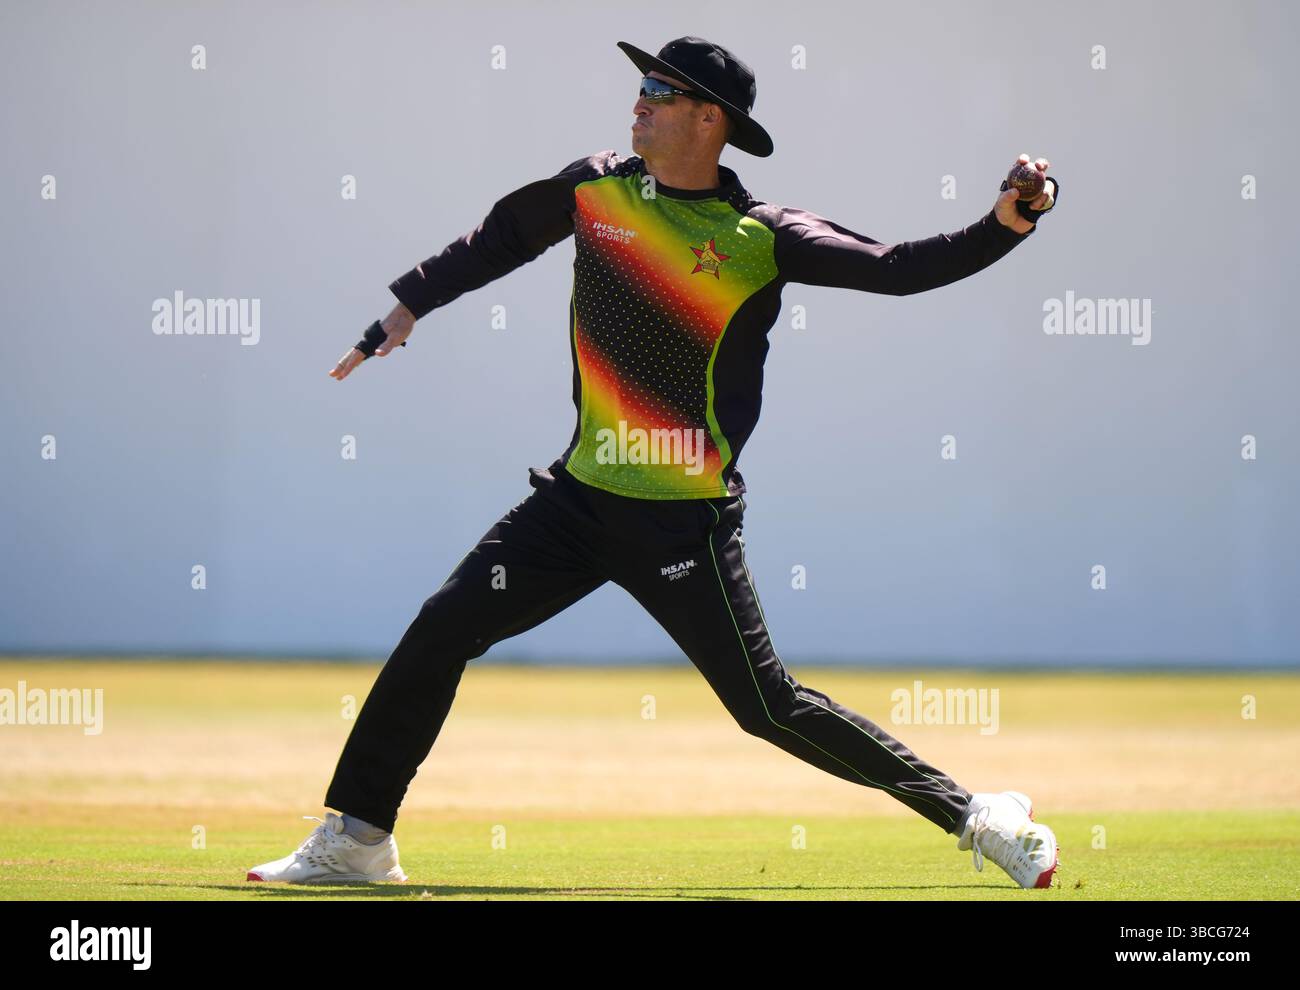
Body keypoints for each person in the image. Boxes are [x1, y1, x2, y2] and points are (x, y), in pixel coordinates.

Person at [248, 36, 1061, 890]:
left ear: (712, 119)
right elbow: (501, 236)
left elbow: (898, 270)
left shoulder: (761, 237)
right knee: (440, 627)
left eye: (659, 91)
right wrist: (412, 302)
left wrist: (1004, 223)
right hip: (575, 504)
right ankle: (358, 840)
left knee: (767, 707)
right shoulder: (596, 190)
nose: (637, 101)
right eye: (640, 84)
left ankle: (978, 815)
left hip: (682, 522)